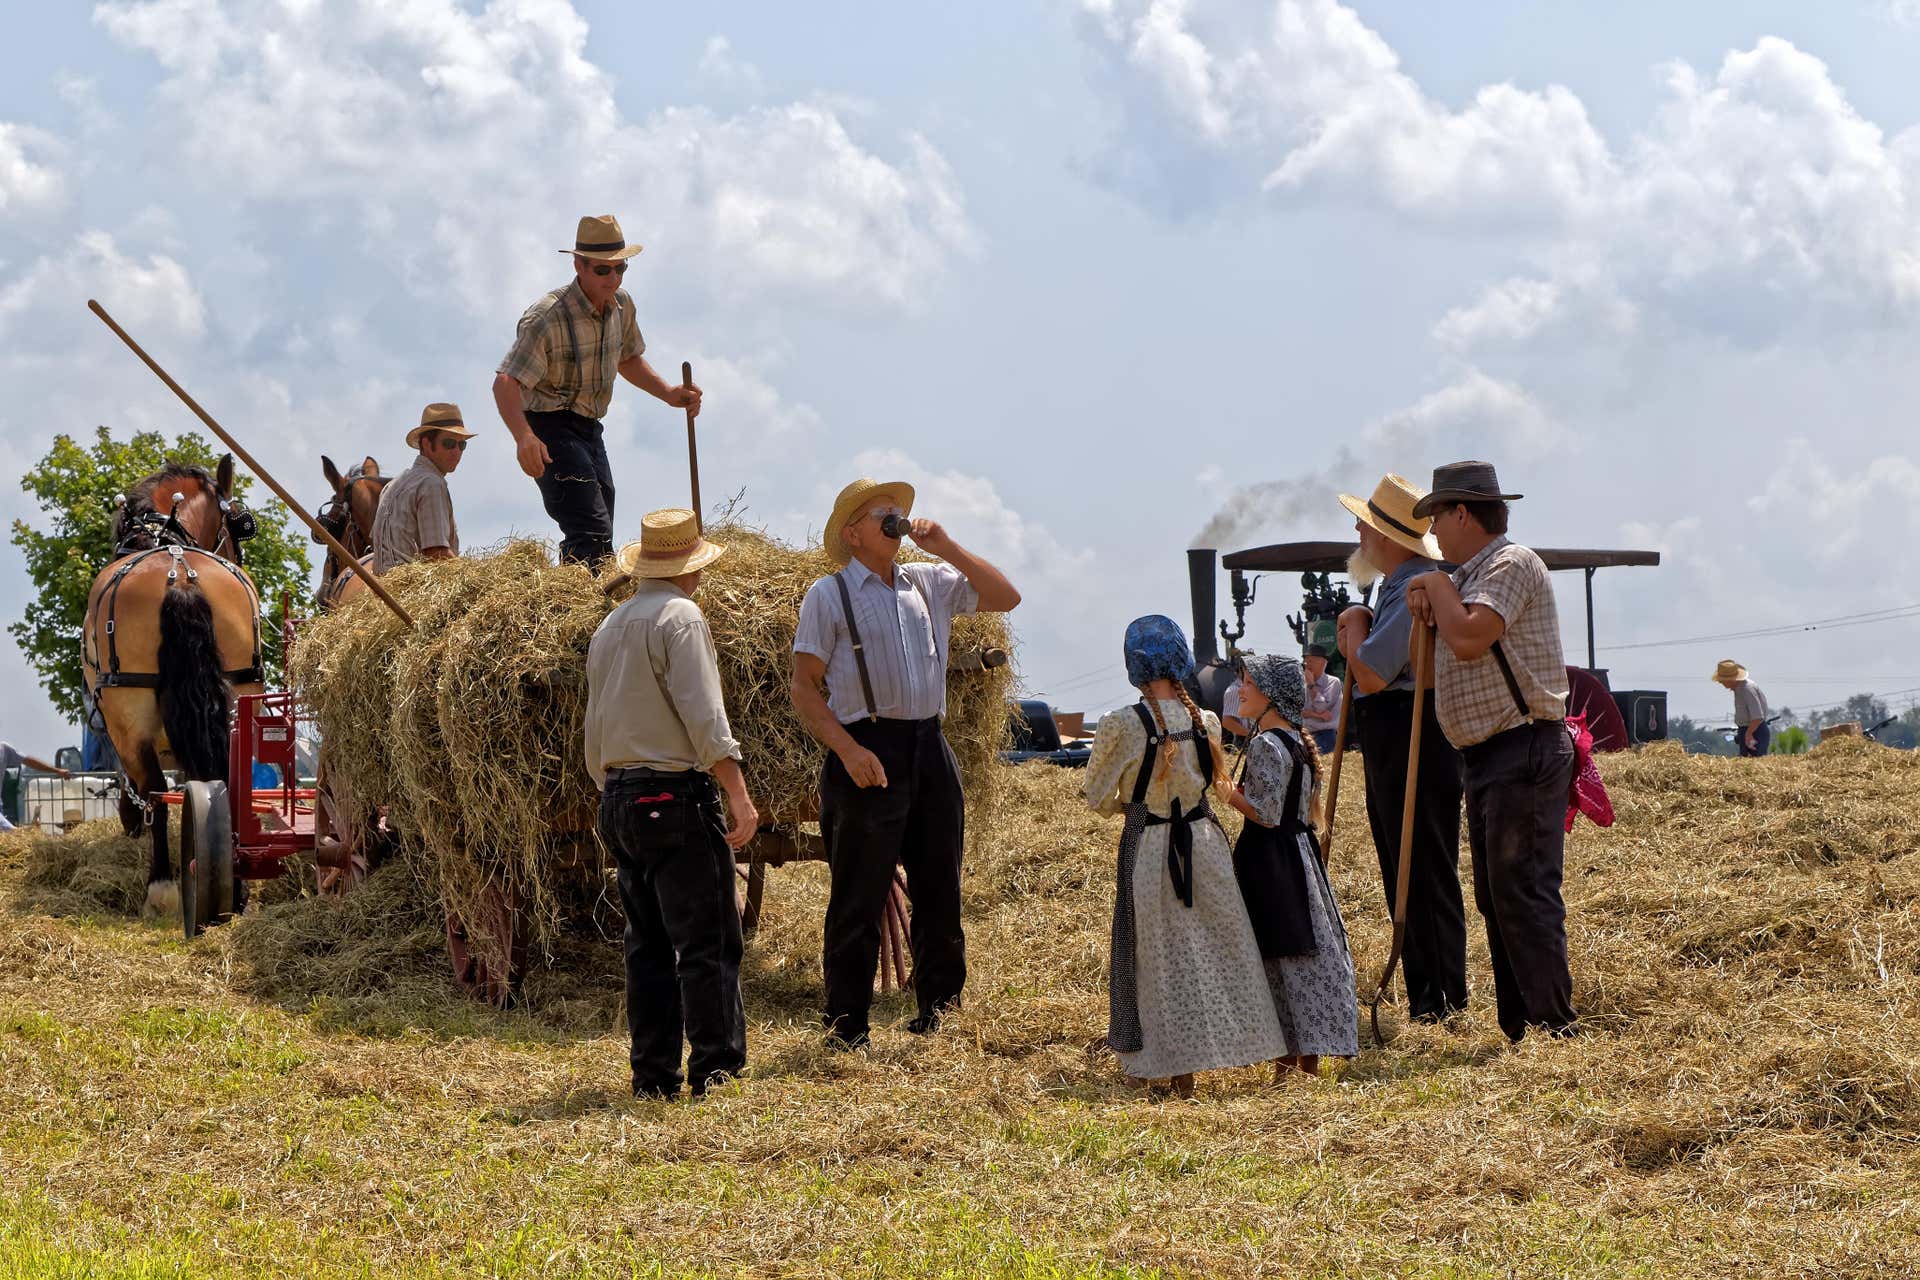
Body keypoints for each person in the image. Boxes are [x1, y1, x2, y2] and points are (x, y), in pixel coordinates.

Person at [790, 478, 1022, 1048]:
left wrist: (947, 546)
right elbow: (803, 688)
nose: (897, 519)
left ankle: (940, 1014)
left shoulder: (930, 581)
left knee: (940, 886)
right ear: (853, 534)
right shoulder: (830, 594)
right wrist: (847, 750)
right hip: (868, 747)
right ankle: (847, 1029)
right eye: (882, 514)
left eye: (898, 512)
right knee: (859, 896)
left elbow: (1006, 596)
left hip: (928, 745)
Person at [586, 508, 760, 1099]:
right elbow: (705, 715)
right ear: (690, 568)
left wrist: (614, 788)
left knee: (649, 946)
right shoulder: (681, 617)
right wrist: (737, 794)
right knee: (707, 938)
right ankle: (717, 1068)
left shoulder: (610, 627)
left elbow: (594, 727)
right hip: (674, 795)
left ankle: (653, 1076)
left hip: (618, 797)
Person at [1407, 461, 1576, 1043]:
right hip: (1485, 756)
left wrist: (1433, 587)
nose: (1432, 531)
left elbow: (1472, 636)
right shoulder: (1463, 578)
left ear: (1461, 512)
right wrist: (1428, 603)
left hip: (1523, 746)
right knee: (1496, 894)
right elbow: (1430, 658)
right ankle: (1520, 1029)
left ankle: (1551, 1027)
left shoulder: (1511, 563)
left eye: (1435, 517)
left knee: (1521, 889)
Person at [1082, 616, 1285, 1097]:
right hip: (1205, 844)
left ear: (1134, 664)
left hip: (1150, 844)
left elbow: (1095, 795)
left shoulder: (1120, 725)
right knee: (1216, 948)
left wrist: (1126, 807)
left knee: (1152, 955)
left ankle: (1155, 1065)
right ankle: (1207, 1061)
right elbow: (1215, 785)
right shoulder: (1206, 720)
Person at [1333, 474, 1469, 1024]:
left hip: (1411, 735)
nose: (1358, 532)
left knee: (1419, 864)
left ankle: (1437, 1001)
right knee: (1404, 862)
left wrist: (1350, 638)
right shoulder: (1395, 587)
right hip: (1394, 734)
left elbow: (1369, 675)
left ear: (1388, 537)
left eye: (1365, 524)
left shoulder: (1413, 584)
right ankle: (1430, 995)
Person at [493, 214, 704, 566]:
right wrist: (524, 438)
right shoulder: (546, 316)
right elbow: (506, 381)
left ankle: (582, 598)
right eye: (603, 270)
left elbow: (628, 359)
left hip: (590, 429)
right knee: (590, 529)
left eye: (620, 269)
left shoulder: (622, 306)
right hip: (549, 425)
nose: (614, 278)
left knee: (601, 518)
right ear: (579, 265)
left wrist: (668, 393)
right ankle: (582, 607)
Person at [1222, 653, 1359, 1078]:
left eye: (1248, 682)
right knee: (1298, 953)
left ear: (1271, 695)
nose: (1240, 690)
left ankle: (1287, 1069)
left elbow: (1264, 812)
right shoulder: (1298, 742)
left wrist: (1226, 792)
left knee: (1278, 953)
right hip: (1298, 856)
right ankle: (1303, 1066)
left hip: (1270, 861)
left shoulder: (1264, 744)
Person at [370, 403, 472, 574]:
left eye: (462, 445)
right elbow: (436, 554)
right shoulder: (431, 484)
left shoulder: (392, 485)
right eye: (448, 443)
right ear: (426, 444)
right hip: (412, 590)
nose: (456, 451)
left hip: (383, 588)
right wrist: (474, 577)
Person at [0, 741, 71, 831]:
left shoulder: (4, 749)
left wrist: (57, 771)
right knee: (12, 833)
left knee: (9, 834)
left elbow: (29, 761)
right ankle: (28, 830)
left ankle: (27, 831)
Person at [1714, 660, 1771, 756]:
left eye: (1722, 680)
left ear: (1731, 679)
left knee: (1755, 765)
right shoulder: (1738, 689)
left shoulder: (1747, 689)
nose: (1720, 682)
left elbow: (1757, 717)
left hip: (1755, 732)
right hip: (1747, 731)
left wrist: (1748, 735)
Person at [1300, 646, 1342, 754]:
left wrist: (1311, 685)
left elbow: (1321, 707)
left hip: (1325, 736)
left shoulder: (1333, 682)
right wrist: (1317, 715)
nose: (1307, 665)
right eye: (1306, 661)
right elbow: (1300, 712)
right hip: (1306, 736)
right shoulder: (1303, 684)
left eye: (1310, 661)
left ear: (1322, 663)